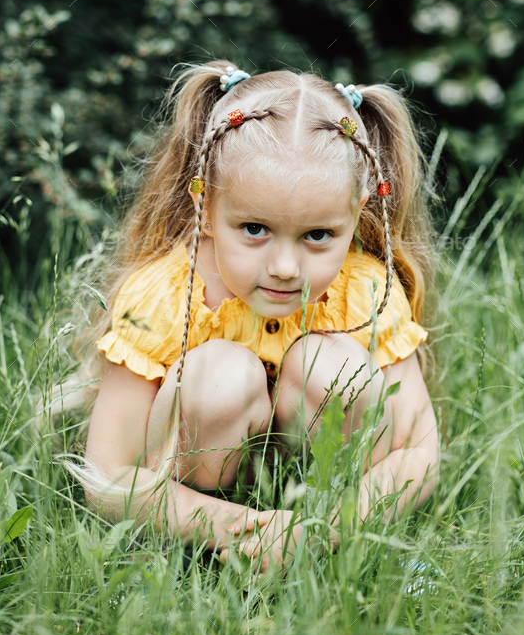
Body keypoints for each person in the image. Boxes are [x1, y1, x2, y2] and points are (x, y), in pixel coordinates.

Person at [49, 60, 440, 572]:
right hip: (200, 494)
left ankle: (323, 534)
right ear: (205, 207)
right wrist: (239, 528)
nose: (283, 268)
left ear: (358, 211)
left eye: (318, 236)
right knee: (221, 376)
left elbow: (420, 454)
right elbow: (108, 473)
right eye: (254, 228)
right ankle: (197, 553)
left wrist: (331, 527)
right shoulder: (167, 296)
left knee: (331, 363)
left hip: (327, 503)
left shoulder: (364, 289)